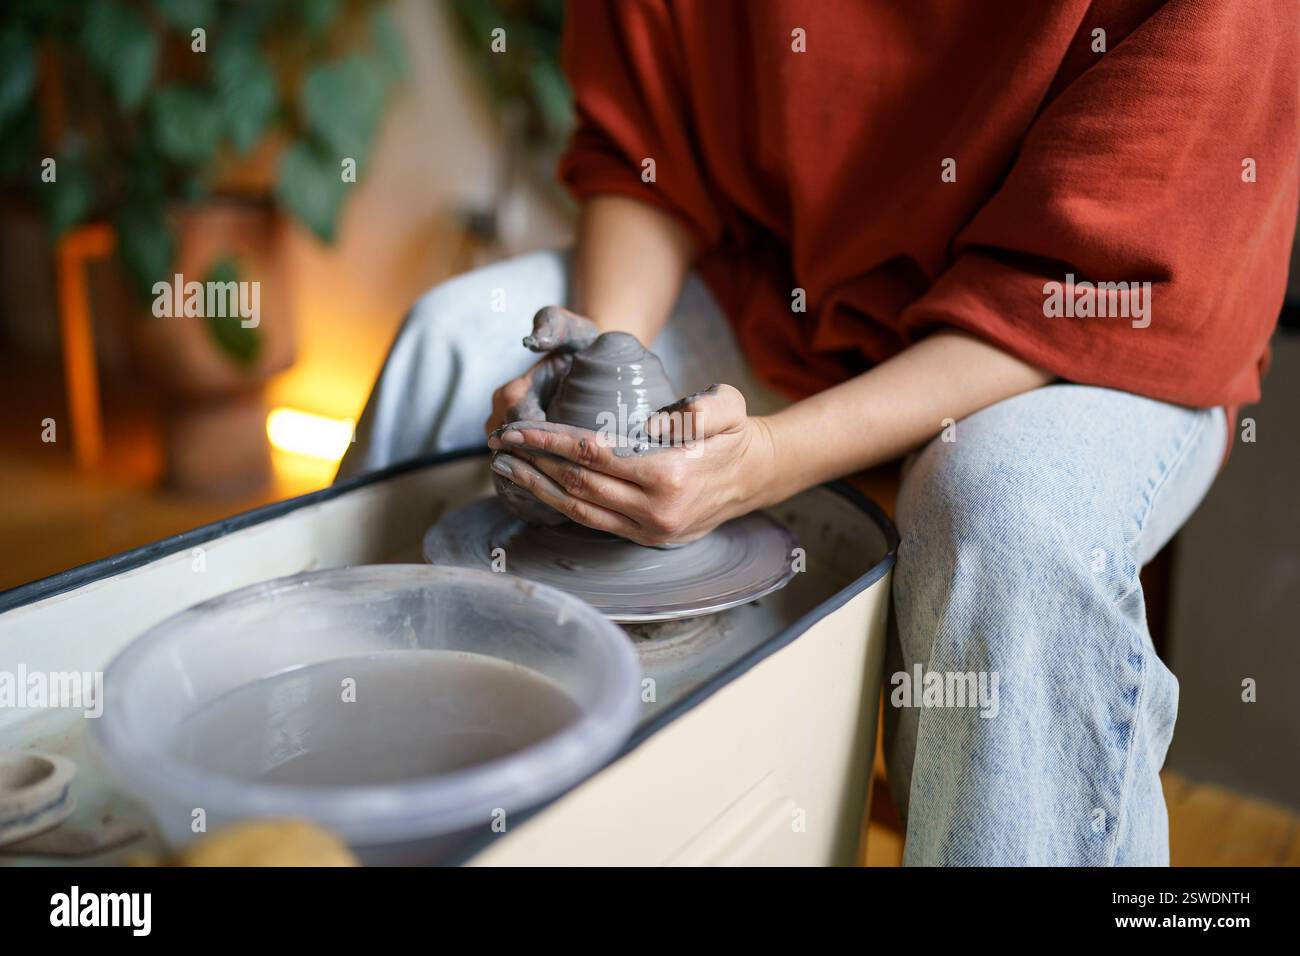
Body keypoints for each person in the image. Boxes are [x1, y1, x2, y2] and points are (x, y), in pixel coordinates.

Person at [339, 1, 1298, 864]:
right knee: (455, 347)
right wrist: (600, 357)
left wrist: (765, 462)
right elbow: (650, 143)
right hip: (789, 280)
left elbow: (1096, 269)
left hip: (1098, 311)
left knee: (1007, 521)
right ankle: (373, 815)